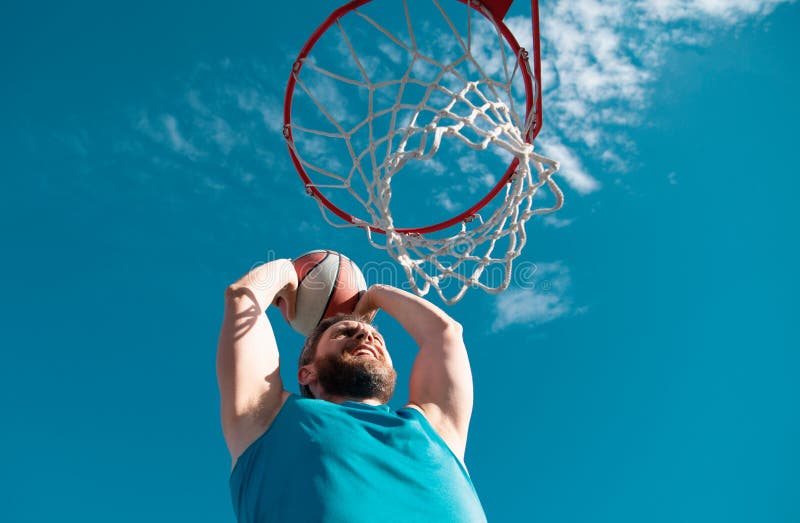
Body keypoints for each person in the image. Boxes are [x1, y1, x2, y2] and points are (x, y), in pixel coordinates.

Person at [217, 258, 487, 522]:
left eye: (376, 337)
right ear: (307, 372)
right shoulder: (269, 418)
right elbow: (243, 297)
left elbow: (445, 332)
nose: (367, 336)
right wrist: (290, 271)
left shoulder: (435, 427)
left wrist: (374, 295)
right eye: (344, 333)